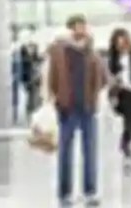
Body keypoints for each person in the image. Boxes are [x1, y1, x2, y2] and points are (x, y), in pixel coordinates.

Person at [45, 15, 108, 206]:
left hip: (88, 108)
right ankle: (64, 192)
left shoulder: (92, 51)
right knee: (65, 152)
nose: (80, 29)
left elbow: (103, 77)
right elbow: (52, 79)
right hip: (67, 108)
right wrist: (55, 98)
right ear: (70, 29)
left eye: (83, 26)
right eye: (76, 26)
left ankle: (90, 191)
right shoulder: (58, 52)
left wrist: (95, 91)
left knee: (90, 152)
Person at [108, 28, 131, 161]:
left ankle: (126, 139)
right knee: (128, 118)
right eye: (119, 41)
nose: (122, 44)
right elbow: (112, 73)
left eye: (124, 40)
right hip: (122, 90)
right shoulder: (114, 57)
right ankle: (125, 142)